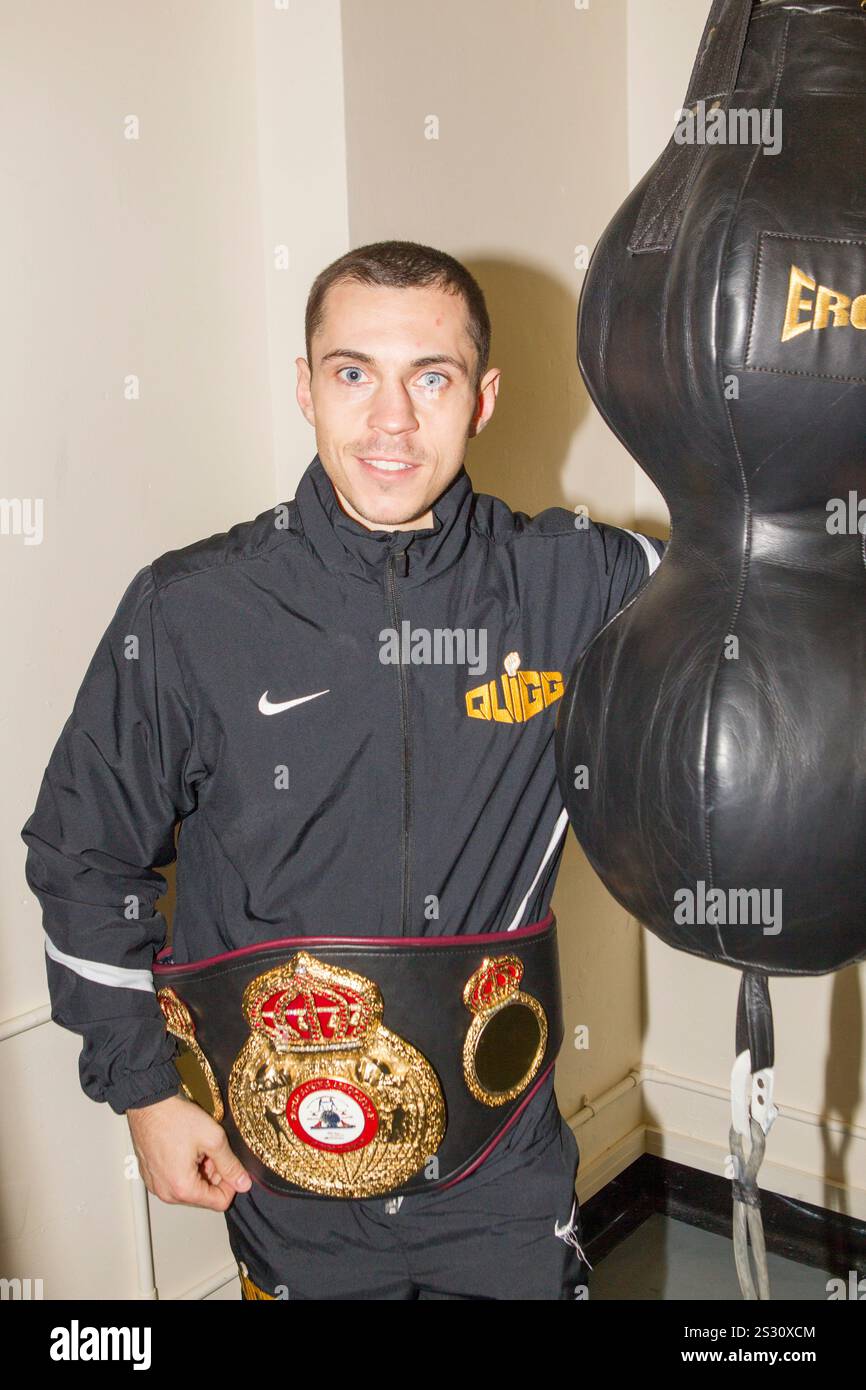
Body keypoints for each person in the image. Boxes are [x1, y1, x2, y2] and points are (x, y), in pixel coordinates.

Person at [20, 240, 665, 1301]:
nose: (391, 421)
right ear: (306, 389)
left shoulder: (583, 584)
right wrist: (140, 1090)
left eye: (431, 377)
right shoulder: (190, 610)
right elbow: (82, 855)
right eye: (353, 372)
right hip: (283, 1170)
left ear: (482, 397)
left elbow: (754, 590)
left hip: (499, 1170)